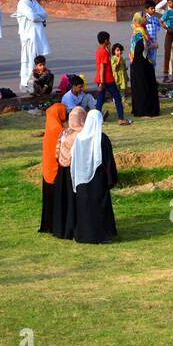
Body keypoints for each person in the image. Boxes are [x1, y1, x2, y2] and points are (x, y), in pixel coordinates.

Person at [69, 109, 119, 243]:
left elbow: (74, 159)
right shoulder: (102, 139)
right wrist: (111, 179)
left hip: (82, 181)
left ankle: (85, 235)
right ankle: (102, 235)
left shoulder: (80, 138)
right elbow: (108, 162)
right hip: (98, 180)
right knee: (99, 207)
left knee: (85, 208)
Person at [51, 107, 86, 239]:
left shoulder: (64, 132)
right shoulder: (81, 134)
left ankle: (61, 229)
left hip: (62, 170)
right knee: (73, 201)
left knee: (63, 199)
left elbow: (57, 152)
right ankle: (73, 228)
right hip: (74, 170)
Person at [38, 103, 68, 232]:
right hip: (56, 169)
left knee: (49, 200)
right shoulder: (58, 129)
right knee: (58, 200)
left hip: (47, 169)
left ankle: (48, 224)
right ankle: (57, 224)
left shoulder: (49, 127)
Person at [92, 30, 131, 125]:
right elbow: (102, 67)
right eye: (108, 39)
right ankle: (121, 118)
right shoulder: (104, 52)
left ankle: (96, 120)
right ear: (105, 40)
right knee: (117, 98)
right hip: (107, 79)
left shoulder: (99, 50)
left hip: (100, 79)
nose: (109, 41)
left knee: (100, 99)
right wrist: (102, 82)